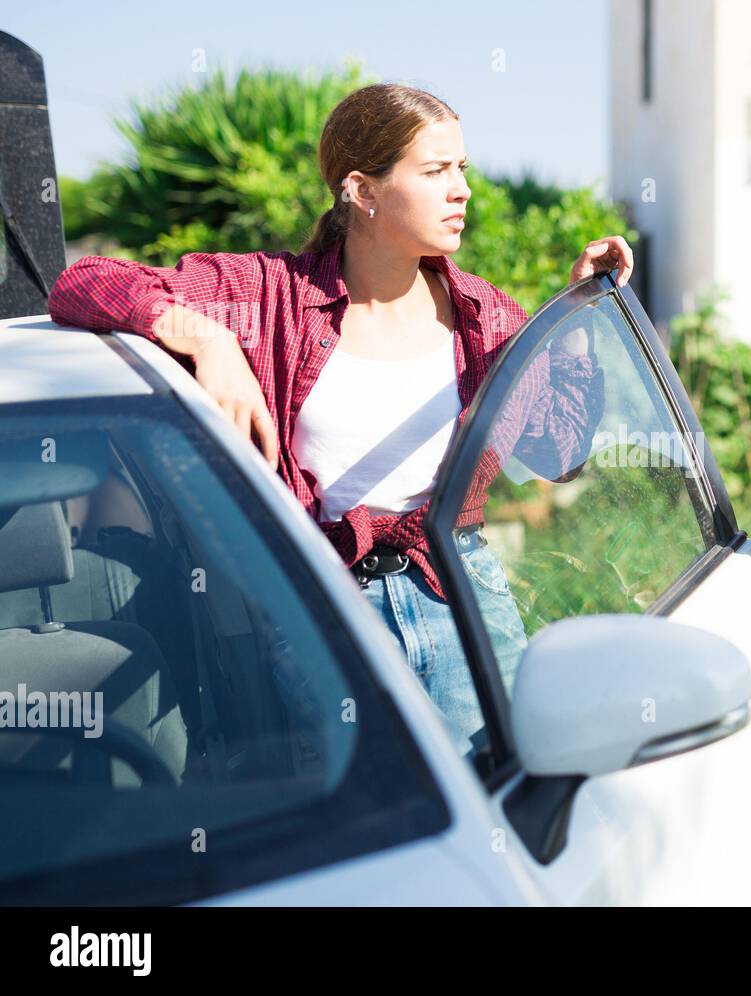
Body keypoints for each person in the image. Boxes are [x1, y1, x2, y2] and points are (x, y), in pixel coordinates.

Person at [47, 82, 632, 758]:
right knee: (376, 816)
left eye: (462, 170)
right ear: (363, 189)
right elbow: (82, 283)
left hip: (465, 596)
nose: (462, 190)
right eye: (435, 170)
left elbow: (558, 453)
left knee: (501, 800)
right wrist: (206, 339)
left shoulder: (485, 315)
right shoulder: (266, 294)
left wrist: (577, 317)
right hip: (323, 605)